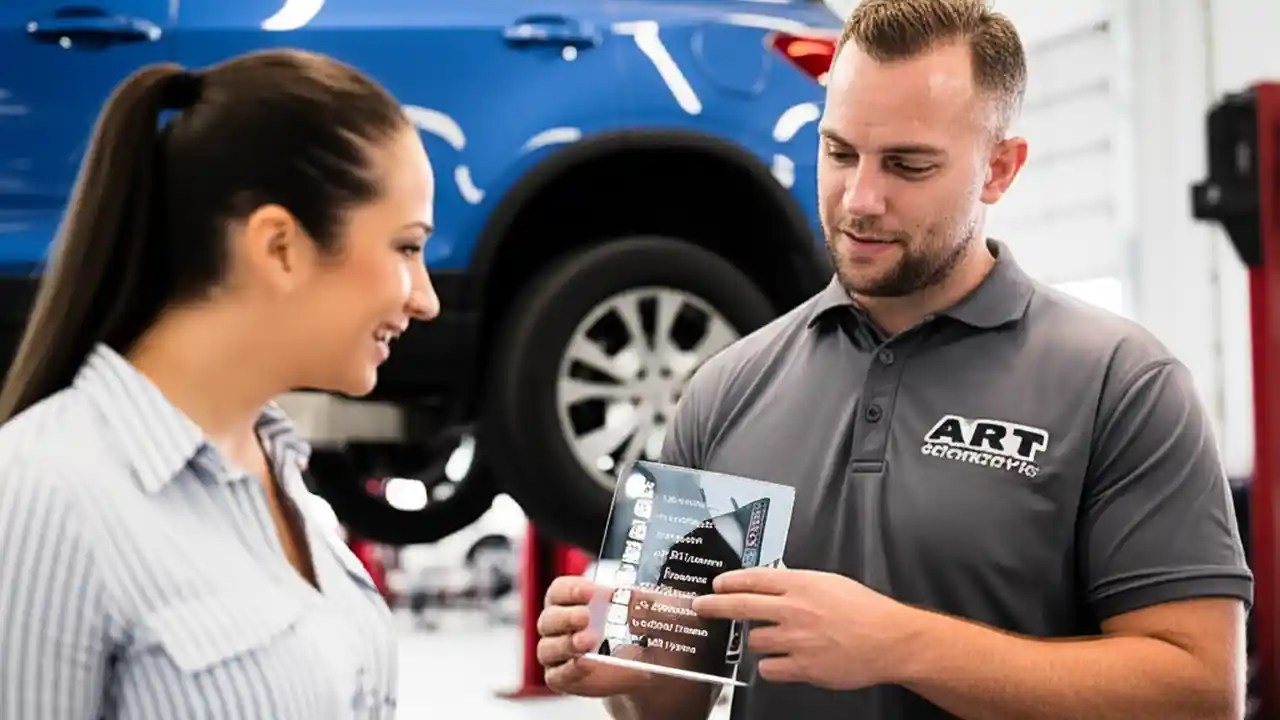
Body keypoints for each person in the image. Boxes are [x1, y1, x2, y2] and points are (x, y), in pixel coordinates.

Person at [535, 0, 1253, 718]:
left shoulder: (1120, 385)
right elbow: (671, 696)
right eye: (839, 152)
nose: (861, 199)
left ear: (1000, 169)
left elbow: (1199, 693)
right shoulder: (725, 390)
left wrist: (902, 646)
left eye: (908, 165)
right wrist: (617, 665)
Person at [0, 49, 438, 719]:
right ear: (279, 246)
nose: (425, 299)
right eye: (406, 247)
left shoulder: (283, 484)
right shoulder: (46, 492)